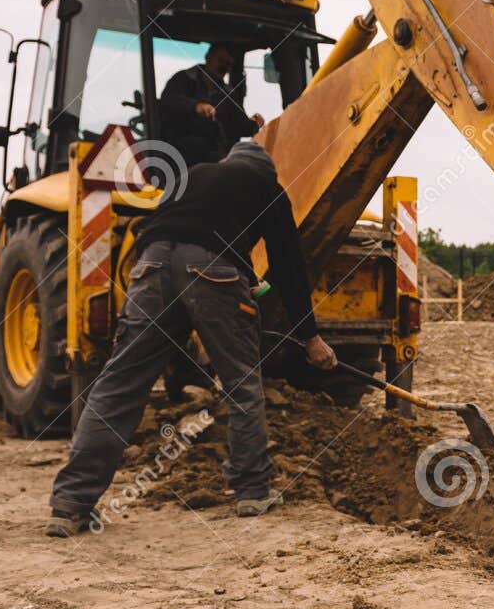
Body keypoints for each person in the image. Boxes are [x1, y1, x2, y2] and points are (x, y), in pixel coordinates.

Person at [46, 140, 337, 534]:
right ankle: (252, 490)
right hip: (213, 271)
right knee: (241, 385)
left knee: (119, 384)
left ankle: (70, 504)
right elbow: (288, 265)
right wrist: (309, 337)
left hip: (150, 265)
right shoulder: (266, 185)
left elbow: (173, 234)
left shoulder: (193, 172)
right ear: (267, 170)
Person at [158, 43, 266, 166]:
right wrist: (195, 106)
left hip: (214, 160)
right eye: (220, 60)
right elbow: (169, 101)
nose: (223, 67)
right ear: (208, 57)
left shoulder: (229, 94)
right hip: (177, 156)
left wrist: (253, 124)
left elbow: (238, 125)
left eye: (228, 64)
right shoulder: (183, 79)